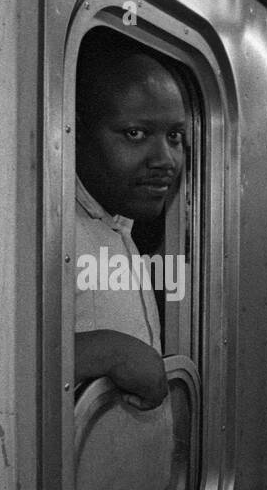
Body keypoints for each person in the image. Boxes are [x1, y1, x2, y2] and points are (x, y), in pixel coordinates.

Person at [72, 27, 187, 411]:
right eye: (135, 133)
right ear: (73, 132)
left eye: (174, 136)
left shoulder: (119, 224)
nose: (166, 160)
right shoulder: (45, 230)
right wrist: (103, 352)